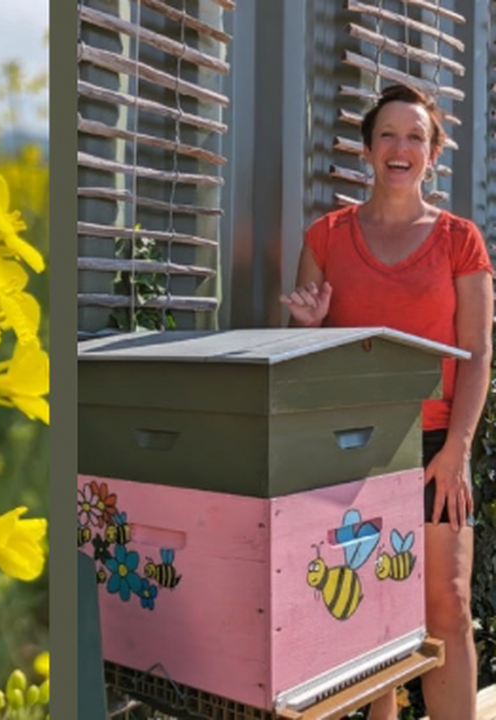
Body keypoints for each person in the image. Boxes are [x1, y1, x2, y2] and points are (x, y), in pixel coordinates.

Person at [280, 84, 492, 720]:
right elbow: (301, 361)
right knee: (368, 610)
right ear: (368, 150)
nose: (402, 148)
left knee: (447, 608)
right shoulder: (325, 237)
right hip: (351, 447)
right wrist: (309, 328)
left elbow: (478, 353)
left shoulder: (461, 240)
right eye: (390, 135)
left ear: (433, 154)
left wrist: (457, 450)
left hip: (432, 447)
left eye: (416, 137)